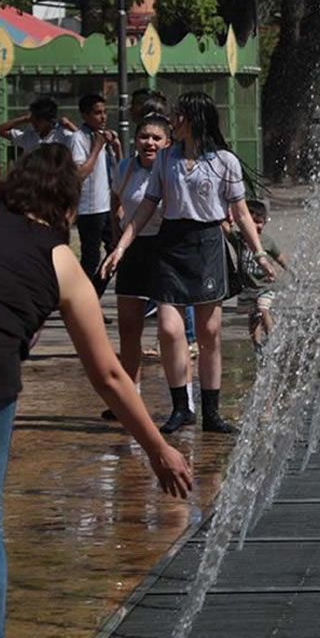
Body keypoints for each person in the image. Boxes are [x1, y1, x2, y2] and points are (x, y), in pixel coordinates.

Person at [0, 145, 193, 638]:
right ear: (68, 209)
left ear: (10, 183)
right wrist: (159, 449)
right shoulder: (62, 262)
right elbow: (111, 376)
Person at [101, 91, 275, 434]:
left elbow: (240, 213)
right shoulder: (166, 160)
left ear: (193, 119)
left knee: (210, 332)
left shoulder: (224, 161)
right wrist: (120, 247)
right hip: (171, 244)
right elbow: (147, 207)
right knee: (168, 327)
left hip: (206, 244)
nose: (171, 121)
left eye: (177, 116)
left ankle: (211, 412)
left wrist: (259, 253)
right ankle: (181, 407)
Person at [98, 114, 172, 422]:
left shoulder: (173, 169)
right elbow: (116, 200)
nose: (149, 143)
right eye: (144, 136)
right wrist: (117, 243)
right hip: (131, 249)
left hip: (165, 248)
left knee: (171, 330)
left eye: (156, 138)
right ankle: (131, 399)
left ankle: (183, 403)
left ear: (168, 143)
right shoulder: (125, 167)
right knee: (129, 328)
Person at [70, 94, 122, 297]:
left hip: (107, 204)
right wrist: (97, 147)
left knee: (116, 250)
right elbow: (80, 173)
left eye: (105, 112)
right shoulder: (79, 138)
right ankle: (80, 301)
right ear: (85, 115)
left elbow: (120, 169)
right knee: (90, 257)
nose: (103, 117)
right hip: (89, 207)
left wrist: (116, 148)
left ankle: (93, 293)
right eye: (97, 113)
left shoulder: (104, 135)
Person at [229, 199, 289, 349]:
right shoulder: (239, 240)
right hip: (247, 287)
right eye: (253, 221)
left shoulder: (267, 241)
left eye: (260, 222)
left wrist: (290, 269)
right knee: (253, 317)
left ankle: (273, 338)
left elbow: (279, 257)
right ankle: (257, 345)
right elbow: (225, 230)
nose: (257, 226)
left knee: (263, 309)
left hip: (265, 286)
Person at [0, 97, 76, 154]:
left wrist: (70, 125)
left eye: (38, 120)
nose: (34, 123)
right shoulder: (29, 136)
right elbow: (0, 130)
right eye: (33, 120)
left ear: (49, 120)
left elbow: (83, 141)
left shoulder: (63, 134)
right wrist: (24, 119)